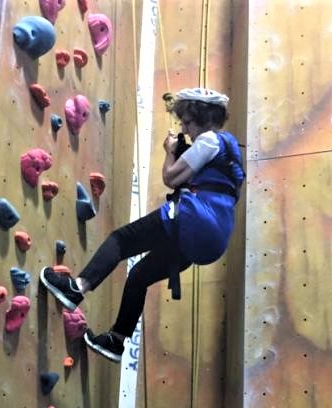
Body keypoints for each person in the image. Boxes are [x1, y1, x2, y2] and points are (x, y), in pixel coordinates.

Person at [39, 87, 245, 362]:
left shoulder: (209, 140)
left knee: (121, 240)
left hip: (194, 219)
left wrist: (170, 151)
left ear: (203, 118)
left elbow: (170, 178)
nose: (184, 129)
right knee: (139, 277)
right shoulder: (230, 151)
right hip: (212, 239)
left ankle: (75, 288)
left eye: (187, 122)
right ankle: (116, 340)